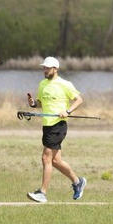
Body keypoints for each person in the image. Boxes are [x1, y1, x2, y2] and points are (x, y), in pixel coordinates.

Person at [26, 56, 87, 203]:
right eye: (44, 68)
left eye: (47, 68)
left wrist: (68, 111)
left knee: (46, 158)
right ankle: (78, 182)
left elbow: (79, 99)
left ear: (55, 69)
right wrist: (33, 103)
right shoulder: (42, 84)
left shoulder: (65, 84)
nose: (45, 70)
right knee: (55, 161)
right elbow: (41, 102)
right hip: (47, 125)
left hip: (58, 125)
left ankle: (42, 193)